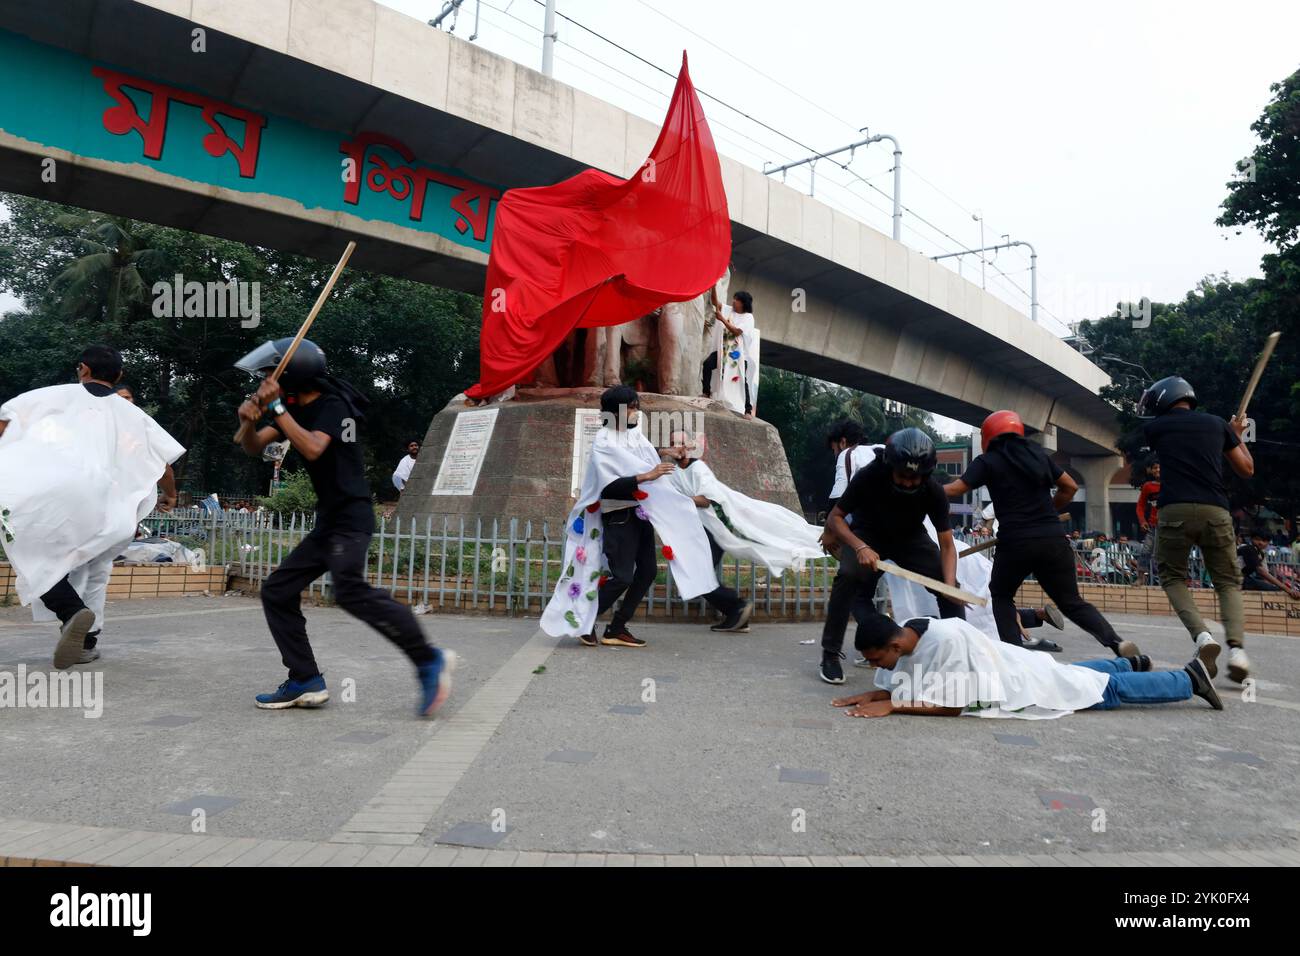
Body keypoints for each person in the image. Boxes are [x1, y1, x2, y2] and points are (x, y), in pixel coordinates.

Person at [234, 337, 453, 716]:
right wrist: (248, 422)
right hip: (329, 521)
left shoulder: (334, 407)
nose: (264, 382)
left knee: (349, 591)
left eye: (270, 376)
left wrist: (275, 408)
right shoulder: (294, 408)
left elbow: (314, 447)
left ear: (293, 376)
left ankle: (428, 658)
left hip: (351, 517)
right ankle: (305, 679)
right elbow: (253, 446)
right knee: (278, 590)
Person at [0, 345, 183, 667]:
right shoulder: (133, 415)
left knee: (33, 556)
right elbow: (164, 465)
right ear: (119, 376)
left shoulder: (49, 396)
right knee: (96, 570)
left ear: (82, 369)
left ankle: (71, 611)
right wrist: (170, 496)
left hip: (54, 497)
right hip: (109, 508)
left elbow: (4, 424)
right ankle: (87, 640)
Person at [942, 410, 1141, 660]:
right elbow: (1068, 487)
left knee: (1002, 595)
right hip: (1053, 540)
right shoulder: (1038, 456)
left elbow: (958, 487)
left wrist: (925, 489)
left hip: (1015, 542)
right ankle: (1116, 643)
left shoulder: (989, 460)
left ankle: (1016, 660)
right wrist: (1048, 510)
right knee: (1071, 602)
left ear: (989, 435)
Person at [540, 385, 718, 647]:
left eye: (636, 406)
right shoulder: (604, 441)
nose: (636, 412)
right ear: (616, 411)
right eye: (631, 407)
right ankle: (583, 622)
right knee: (622, 576)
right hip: (618, 515)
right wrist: (648, 476)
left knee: (647, 572)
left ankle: (617, 628)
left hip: (641, 514)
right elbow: (609, 485)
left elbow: (640, 457)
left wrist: (664, 453)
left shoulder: (633, 436)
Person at [831, 614, 1222, 719]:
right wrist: (873, 693)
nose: (875, 666)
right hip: (1016, 664)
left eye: (876, 658)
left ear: (894, 643)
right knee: (1070, 675)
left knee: (1096, 692)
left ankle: (1186, 679)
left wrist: (893, 705)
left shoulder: (944, 641)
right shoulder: (912, 630)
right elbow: (904, 680)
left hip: (1016, 683)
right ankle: (1128, 664)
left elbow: (951, 705)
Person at [817, 428, 965, 685]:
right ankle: (830, 653)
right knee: (848, 577)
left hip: (911, 538)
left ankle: (960, 654)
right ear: (890, 466)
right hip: (868, 534)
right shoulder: (870, 475)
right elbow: (836, 517)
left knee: (948, 587)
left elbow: (947, 545)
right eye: (903, 476)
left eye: (915, 478)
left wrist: (949, 584)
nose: (909, 482)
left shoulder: (933, 491)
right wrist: (860, 547)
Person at [1138, 375, 1255, 683]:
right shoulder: (1217, 425)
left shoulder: (1155, 428)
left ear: (1165, 399)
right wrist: (1236, 435)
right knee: (1228, 582)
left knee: (1173, 577)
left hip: (1174, 509)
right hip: (1215, 509)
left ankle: (1203, 638)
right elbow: (1246, 469)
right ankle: (1238, 652)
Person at [656, 436, 759, 632]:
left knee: (698, 574)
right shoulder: (674, 472)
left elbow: (705, 500)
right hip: (699, 531)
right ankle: (737, 616)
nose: (677, 447)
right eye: (673, 443)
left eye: (681, 442)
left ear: (691, 446)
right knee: (698, 574)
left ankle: (737, 606)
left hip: (715, 528)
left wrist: (676, 499)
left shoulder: (698, 469)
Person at [702, 289, 758, 417]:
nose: (733, 301)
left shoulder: (748, 317)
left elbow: (737, 331)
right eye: (734, 298)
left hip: (739, 355)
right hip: (724, 352)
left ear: (743, 303)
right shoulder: (729, 310)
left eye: (736, 299)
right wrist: (714, 286)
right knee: (708, 364)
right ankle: (706, 392)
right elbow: (715, 302)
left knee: (742, 381)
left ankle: (748, 410)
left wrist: (722, 319)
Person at [1239, 530, 1300, 597]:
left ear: (1268, 542)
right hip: (1236, 579)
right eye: (1257, 539)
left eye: (1264, 541)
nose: (1260, 543)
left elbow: (1265, 572)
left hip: (1243, 578)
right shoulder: (1249, 549)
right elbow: (1261, 571)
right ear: (1251, 539)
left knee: (1272, 587)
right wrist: (1286, 589)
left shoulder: (1261, 554)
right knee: (1274, 589)